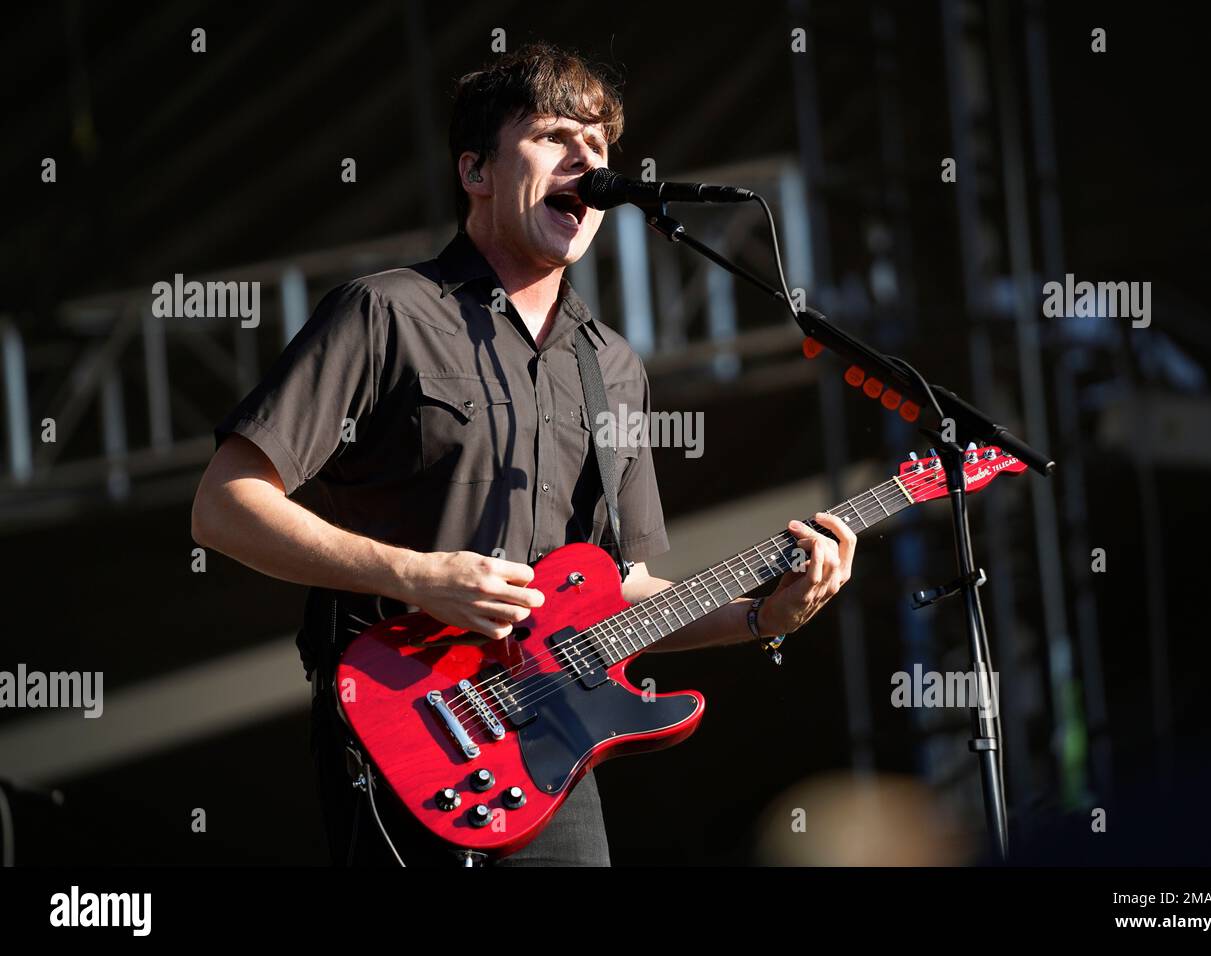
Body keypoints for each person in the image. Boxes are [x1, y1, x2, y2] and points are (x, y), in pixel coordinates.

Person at [190, 41, 857, 867]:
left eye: (600, 147)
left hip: (551, 753)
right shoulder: (384, 313)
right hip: (407, 730)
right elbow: (223, 505)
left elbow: (624, 589)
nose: (586, 158)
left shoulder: (610, 364)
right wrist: (415, 575)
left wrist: (760, 615)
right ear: (475, 172)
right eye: (553, 136)